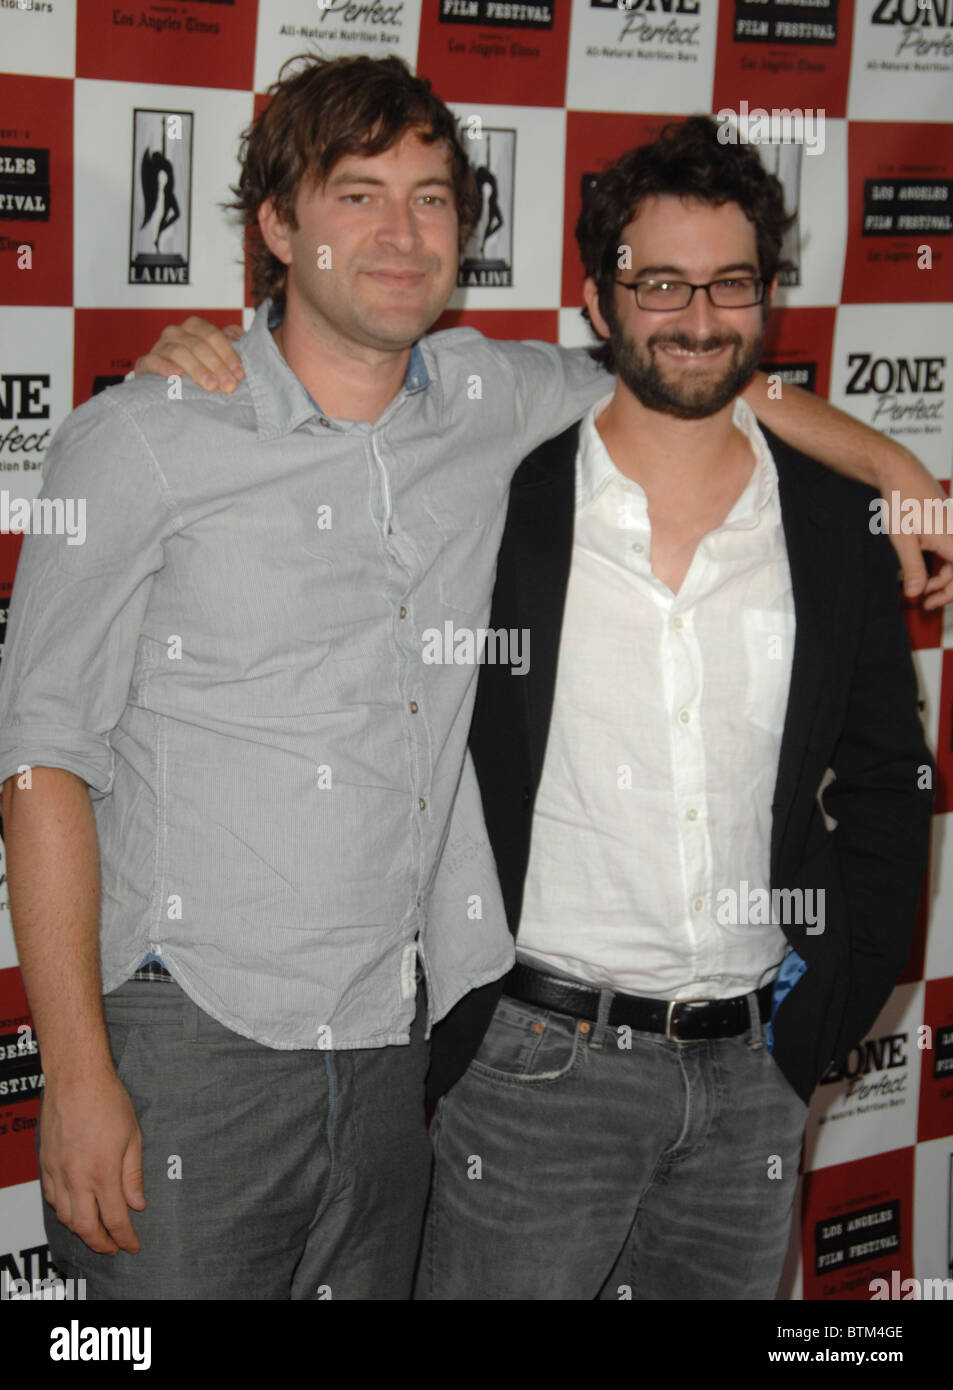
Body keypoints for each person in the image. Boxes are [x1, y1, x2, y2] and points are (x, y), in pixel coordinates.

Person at [20, 55, 946, 1302]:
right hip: (192, 1034)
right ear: (279, 227)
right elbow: (41, 764)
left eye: (432, 196)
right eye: (357, 196)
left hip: (401, 1033)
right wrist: (74, 1075)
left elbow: (696, 367)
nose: (402, 232)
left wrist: (894, 463)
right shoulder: (139, 438)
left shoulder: (495, 399)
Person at [412, 117, 934, 1300]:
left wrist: (823, 1016)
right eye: (659, 284)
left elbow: (887, 778)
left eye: (729, 284)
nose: (696, 319)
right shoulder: (505, 502)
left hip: (754, 1069)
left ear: (764, 300)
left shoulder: (828, 524)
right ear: (598, 301)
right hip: (533, 1069)